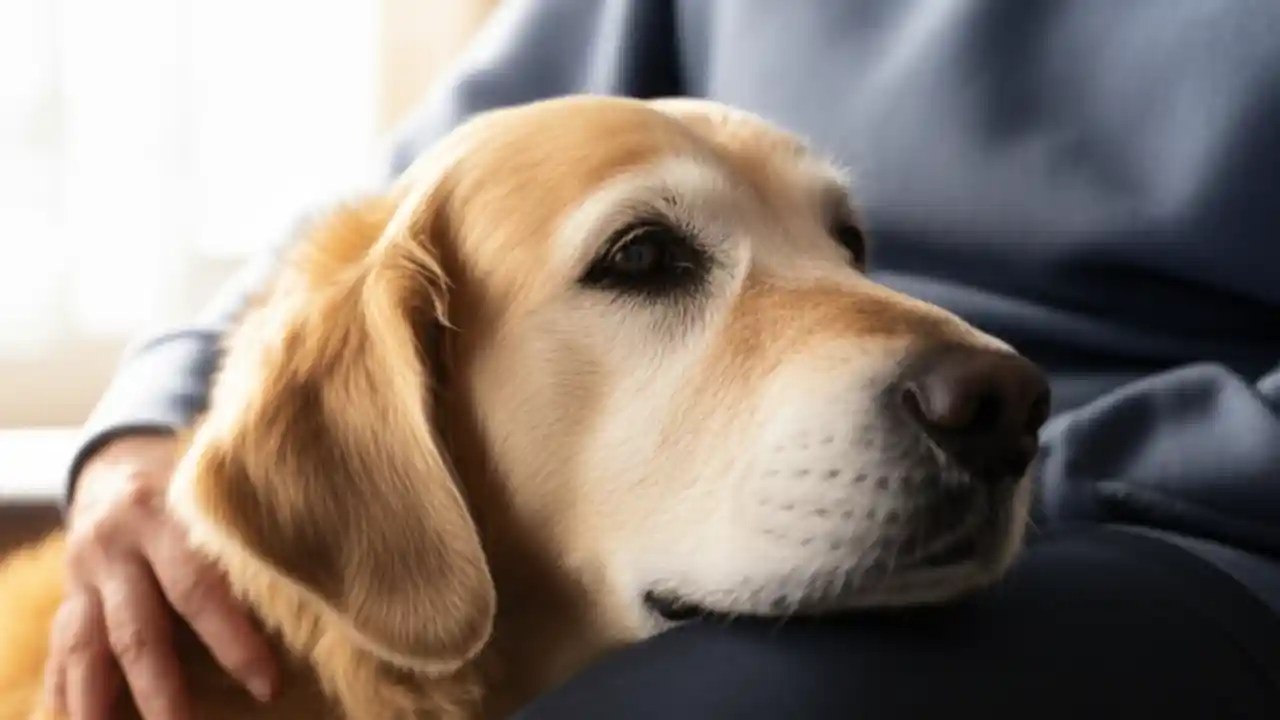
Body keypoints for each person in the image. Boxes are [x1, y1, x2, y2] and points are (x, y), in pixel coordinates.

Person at [48, 1, 1280, 718]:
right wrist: (149, 428)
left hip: (1203, 522)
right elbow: (398, 217)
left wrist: (1056, 469)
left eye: (848, 245)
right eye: (644, 261)